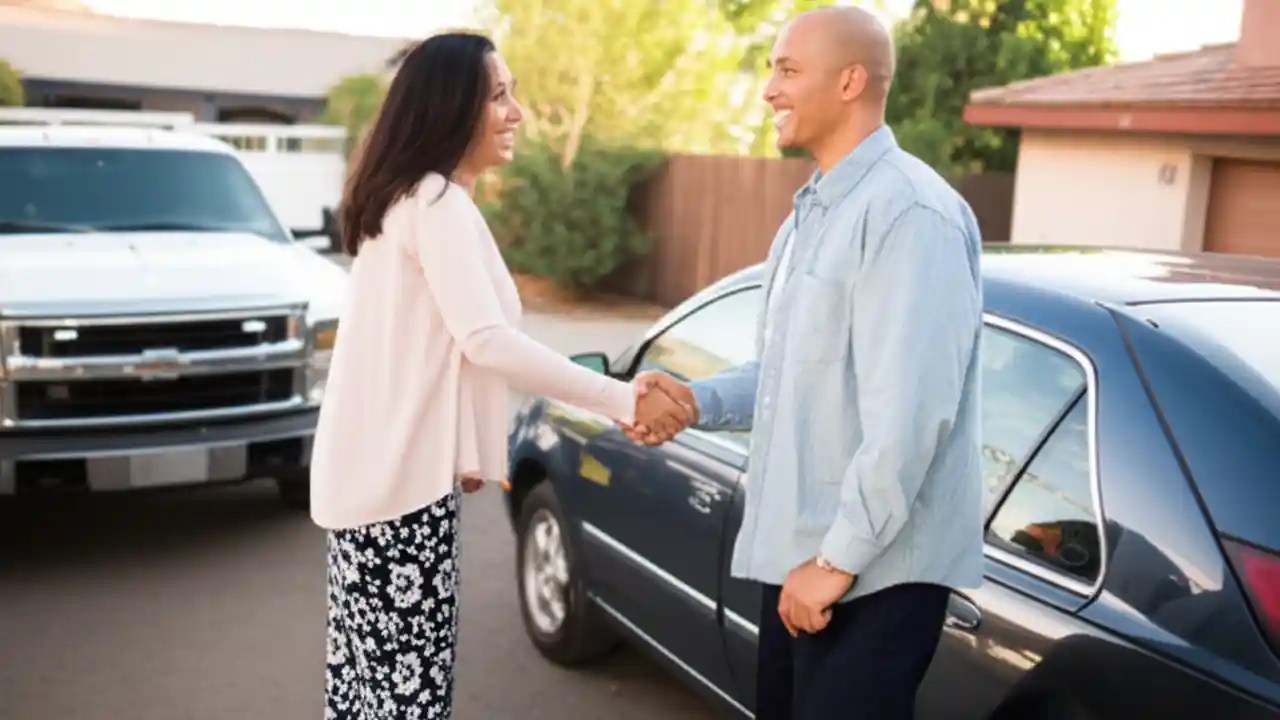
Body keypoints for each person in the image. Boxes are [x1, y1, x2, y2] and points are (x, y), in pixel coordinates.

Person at [308, 32, 691, 719]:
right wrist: (622, 395)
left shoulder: (403, 199)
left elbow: (425, 351)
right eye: (500, 95)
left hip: (372, 485)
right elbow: (487, 341)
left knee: (366, 697)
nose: (517, 112)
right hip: (398, 498)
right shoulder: (436, 204)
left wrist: (466, 449)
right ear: (451, 106)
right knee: (407, 701)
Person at [626, 7, 985, 720]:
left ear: (851, 81)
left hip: (869, 576)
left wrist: (834, 564)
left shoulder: (911, 215)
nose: (769, 90)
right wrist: (695, 400)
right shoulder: (806, 218)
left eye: (787, 70)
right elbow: (787, 373)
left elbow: (910, 418)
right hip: (803, 560)